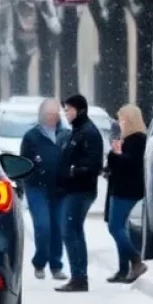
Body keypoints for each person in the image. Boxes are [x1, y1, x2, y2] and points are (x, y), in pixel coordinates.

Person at [55, 93, 104, 293]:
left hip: (81, 190)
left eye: (69, 109)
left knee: (70, 230)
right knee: (73, 230)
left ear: (79, 110)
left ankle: (79, 277)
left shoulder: (88, 133)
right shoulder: (77, 131)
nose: (66, 113)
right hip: (72, 189)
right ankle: (78, 276)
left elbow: (94, 165)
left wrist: (73, 171)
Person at [19, 99, 70, 281]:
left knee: (58, 227)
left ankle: (56, 266)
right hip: (37, 188)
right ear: (41, 114)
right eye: (48, 114)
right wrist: (25, 180)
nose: (51, 118)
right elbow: (23, 163)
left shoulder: (65, 135)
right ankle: (40, 261)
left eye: (55, 114)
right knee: (43, 226)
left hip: (60, 189)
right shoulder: (32, 136)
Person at [105, 104, 148, 283]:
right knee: (121, 228)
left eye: (121, 119)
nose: (119, 123)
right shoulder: (128, 139)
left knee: (116, 227)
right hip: (120, 187)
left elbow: (130, 163)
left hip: (126, 190)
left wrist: (115, 154)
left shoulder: (137, 139)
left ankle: (135, 259)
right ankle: (123, 269)